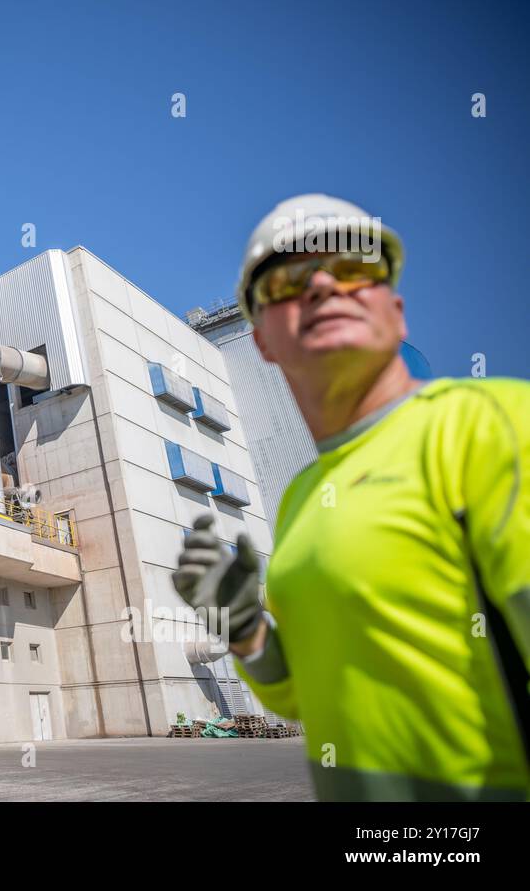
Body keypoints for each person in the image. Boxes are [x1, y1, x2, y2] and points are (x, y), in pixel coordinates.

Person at [173, 194, 530, 800]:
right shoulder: (305, 498)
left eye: (351, 269)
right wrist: (243, 629)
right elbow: (301, 694)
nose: (321, 285)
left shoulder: (494, 424)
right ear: (260, 338)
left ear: (395, 309)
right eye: (288, 279)